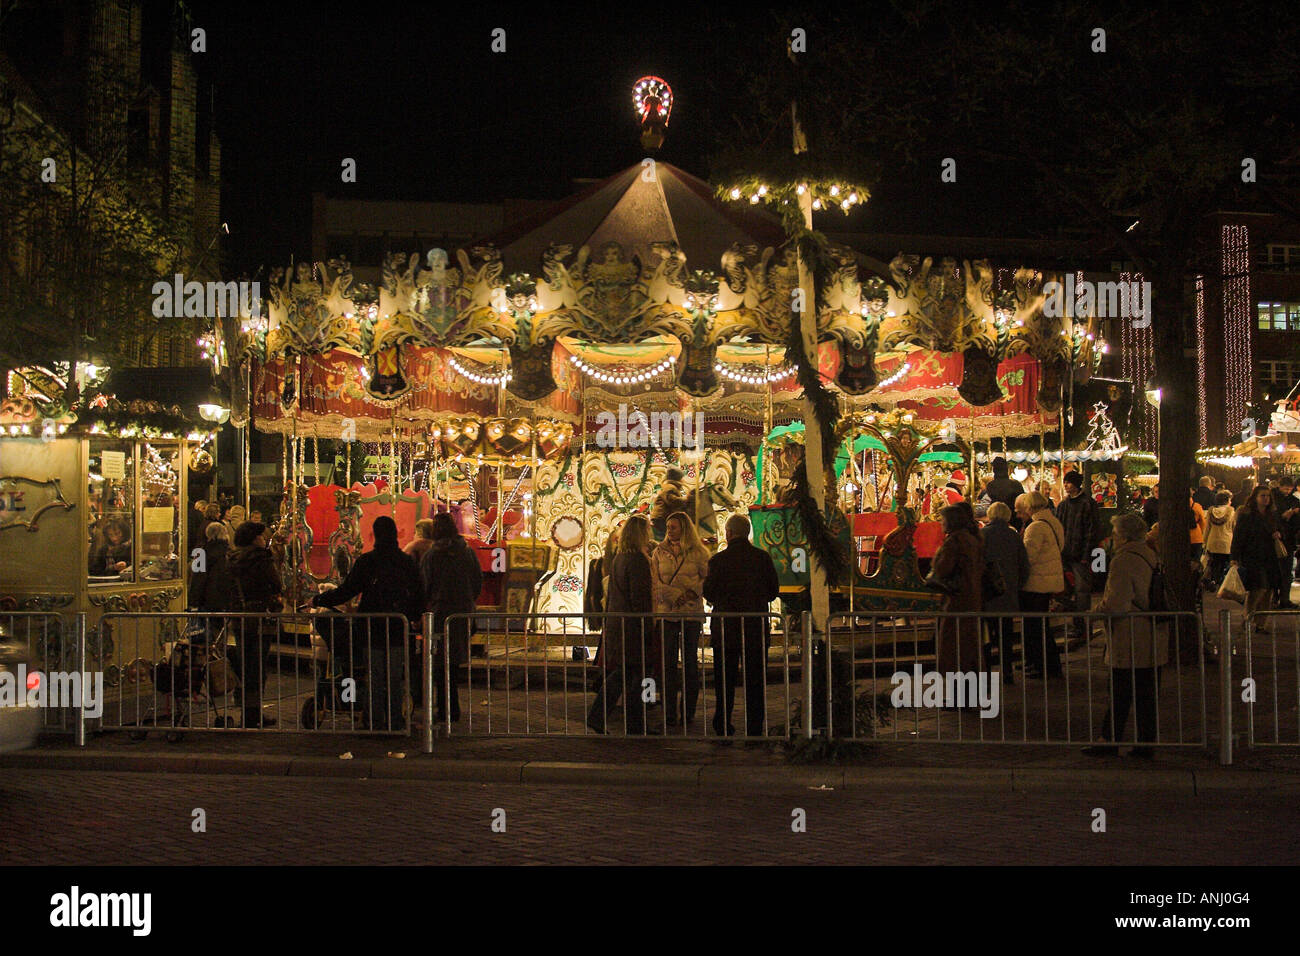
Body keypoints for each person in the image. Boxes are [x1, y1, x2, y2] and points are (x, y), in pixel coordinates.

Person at [313, 515, 423, 731]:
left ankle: (374, 719)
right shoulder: (406, 562)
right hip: (396, 625)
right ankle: (395, 719)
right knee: (394, 675)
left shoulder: (367, 561)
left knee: (374, 674)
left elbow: (347, 590)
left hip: (371, 626)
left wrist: (320, 599)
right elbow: (418, 593)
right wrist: (412, 616)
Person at [1084, 512, 1168, 759]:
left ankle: (1109, 739)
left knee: (1120, 691)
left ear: (1122, 535)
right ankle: (1145, 742)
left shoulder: (1123, 561)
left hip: (1130, 636)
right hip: (1153, 634)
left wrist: (1093, 613)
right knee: (1146, 694)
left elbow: (1116, 604)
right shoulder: (1151, 556)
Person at [702, 514, 780, 737]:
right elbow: (773, 590)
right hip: (754, 626)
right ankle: (754, 726)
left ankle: (723, 723)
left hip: (726, 628)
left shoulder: (717, 560)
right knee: (755, 679)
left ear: (728, 533)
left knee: (724, 679)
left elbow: (708, 591)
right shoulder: (762, 558)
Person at [587, 515, 655, 734]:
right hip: (633, 626)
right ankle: (632, 722)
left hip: (619, 623)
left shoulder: (619, 558)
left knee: (625, 673)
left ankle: (609, 717)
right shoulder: (638, 560)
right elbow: (640, 597)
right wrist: (646, 623)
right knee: (635, 674)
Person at [421, 513, 483, 723]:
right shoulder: (467, 552)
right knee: (453, 662)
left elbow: (425, 584)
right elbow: (477, 581)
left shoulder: (432, 555)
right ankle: (452, 705)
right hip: (462, 611)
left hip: (440, 612)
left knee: (439, 662)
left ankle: (445, 706)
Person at [651, 512, 710, 730]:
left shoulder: (698, 553)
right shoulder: (658, 552)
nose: (669, 530)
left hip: (690, 613)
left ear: (684, 529)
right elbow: (655, 580)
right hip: (667, 612)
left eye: (673, 527)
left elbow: (705, 578)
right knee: (667, 664)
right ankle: (668, 712)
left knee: (689, 663)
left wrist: (691, 593)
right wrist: (674, 595)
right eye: (668, 526)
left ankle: (688, 711)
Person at [228, 521, 282, 728]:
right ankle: (253, 713)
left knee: (244, 663)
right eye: (262, 536)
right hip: (260, 615)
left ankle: (245, 709)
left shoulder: (231, 558)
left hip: (239, 616)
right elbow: (276, 583)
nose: (264, 539)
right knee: (257, 665)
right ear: (254, 538)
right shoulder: (262, 558)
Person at [930, 502, 985, 675]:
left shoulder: (954, 541)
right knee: (969, 646)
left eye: (943, 520)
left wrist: (938, 556)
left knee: (955, 648)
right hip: (972, 597)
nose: (941, 523)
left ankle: (958, 695)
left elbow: (942, 568)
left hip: (957, 599)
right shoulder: (973, 539)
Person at [1016, 491, 1066, 679]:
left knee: (1035, 626)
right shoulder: (1053, 522)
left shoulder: (1036, 527)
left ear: (1029, 507)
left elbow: (1029, 556)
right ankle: (1041, 663)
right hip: (1048, 579)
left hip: (1036, 582)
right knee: (1041, 625)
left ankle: (1043, 665)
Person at [981, 501, 1029, 683]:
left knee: (986, 636)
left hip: (988, 594)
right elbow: (1024, 564)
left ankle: (986, 671)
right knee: (1005, 635)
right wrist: (1017, 584)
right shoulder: (1013, 536)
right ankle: (1007, 671)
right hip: (1008, 593)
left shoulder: (983, 535)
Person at [1056, 470, 1100, 641]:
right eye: (1065, 482)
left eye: (1068, 482)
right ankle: (1076, 622)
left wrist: (1085, 554)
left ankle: (1081, 625)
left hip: (1079, 554)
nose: (1066, 485)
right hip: (1066, 553)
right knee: (1066, 590)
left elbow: (1091, 531)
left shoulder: (1087, 504)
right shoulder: (1063, 505)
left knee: (1082, 591)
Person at [1231, 484, 1283, 625]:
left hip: (1269, 556)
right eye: (1263, 496)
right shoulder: (1247, 515)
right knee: (1259, 588)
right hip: (1252, 556)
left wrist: (1278, 534)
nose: (1266, 499)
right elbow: (1238, 536)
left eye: (1268, 496)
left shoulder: (1272, 515)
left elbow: (1279, 528)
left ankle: (1261, 623)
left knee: (1268, 590)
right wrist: (1235, 557)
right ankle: (1248, 617)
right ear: (1255, 498)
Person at [188, 521, 235, 613]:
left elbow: (197, 579)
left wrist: (193, 601)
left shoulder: (201, 553)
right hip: (227, 598)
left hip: (207, 598)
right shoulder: (230, 553)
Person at [1273, 476, 1300, 606]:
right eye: (1285, 488)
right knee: (1275, 569)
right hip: (1275, 540)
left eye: (1289, 489)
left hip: (1289, 539)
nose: (1287, 491)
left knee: (1286, 571)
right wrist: (1284, 516)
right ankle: (1275, 597)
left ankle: (1284, 598)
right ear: (1279, 486)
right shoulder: (1273, 499)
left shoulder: (1294, 501)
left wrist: (1295, 512)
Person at [1203, 490, 1236, 588]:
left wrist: (1204, 542)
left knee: (1214, 562)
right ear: (1227, 500)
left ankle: (1213, 580)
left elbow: (1207, 528)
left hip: (1213, 541)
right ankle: (1223, 582)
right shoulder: (1231, 512)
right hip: (1227, 541)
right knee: (1225, 563)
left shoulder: (1211, 511)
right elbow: (1234, 527)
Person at [650, 467, 691, 540]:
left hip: (662, 516)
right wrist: (686, 500)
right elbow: (672, 500)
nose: (683, 480)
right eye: (682, 478)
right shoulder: (670, 487)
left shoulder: (670, 487)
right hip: (662, 517)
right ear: (677, 478)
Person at [985, 457, 1026, 527]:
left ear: (994, 470)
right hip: (1015, 518)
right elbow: (1022, 502)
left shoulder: (990, 485)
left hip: (996, 517)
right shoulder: (1016, 484)